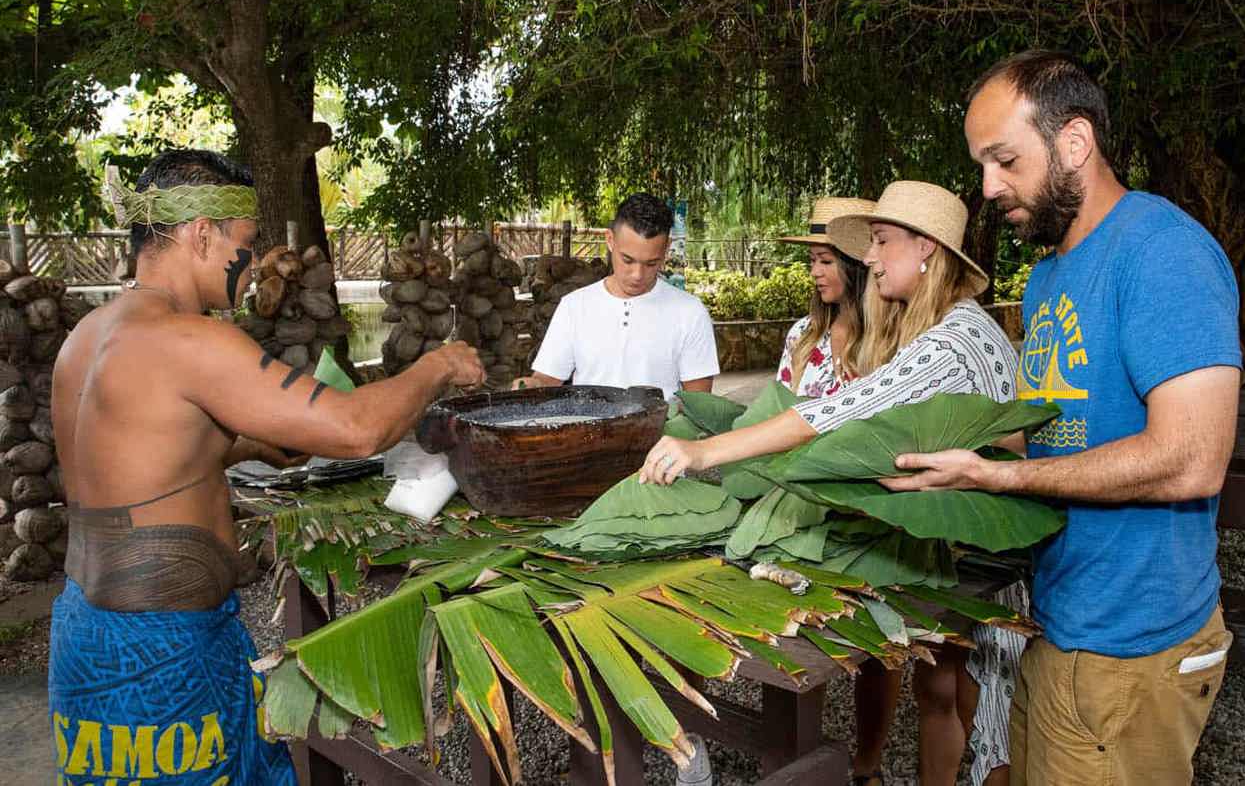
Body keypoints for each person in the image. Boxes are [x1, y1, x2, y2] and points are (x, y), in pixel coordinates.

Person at [49, 150, 485, 785]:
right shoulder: (190, 339)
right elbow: (358, 429)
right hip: (164, 657)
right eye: (247, 245)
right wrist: (439, 365)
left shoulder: (86, 336)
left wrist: (248, 445)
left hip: (86, 637)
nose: (253, 268)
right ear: (202, 234)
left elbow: (127, 462)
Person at [882, 50, 1240, 786]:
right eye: (981, 165)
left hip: (1134, 644)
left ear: (1074, 143)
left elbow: (1190, 457)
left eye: (1004, 159)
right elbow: (1055, 420)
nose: (987, 188)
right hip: (1061, 623)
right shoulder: (1048, 275)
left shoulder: (1160, 252)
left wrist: (1001, 476)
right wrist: (937, 442)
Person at [641, 180, 1018, 784]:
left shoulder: (949, 343)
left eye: (880, 241)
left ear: (925, 248)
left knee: (985, 712)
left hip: (984, 564)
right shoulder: (954, 326)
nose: (868, 259)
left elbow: (828, 416)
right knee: (960, 701)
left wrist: (704, 450)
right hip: (967, 551)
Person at [514, 193, 719, 399]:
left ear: (666, 249)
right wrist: (533, 385)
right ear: (610, 240)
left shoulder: (689, 313)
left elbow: (698, 404)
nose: (637, 275)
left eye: (651, 263)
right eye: (627, 260)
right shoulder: (574, 307)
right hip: (588, 429)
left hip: (662, 430)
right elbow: (547, 381)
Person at [775, 197, 875, 398]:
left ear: (857, 266)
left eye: (826, 261)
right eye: (812, 260)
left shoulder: (888, 338)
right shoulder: (802, 334)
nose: (814, 271)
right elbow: (777, 407)